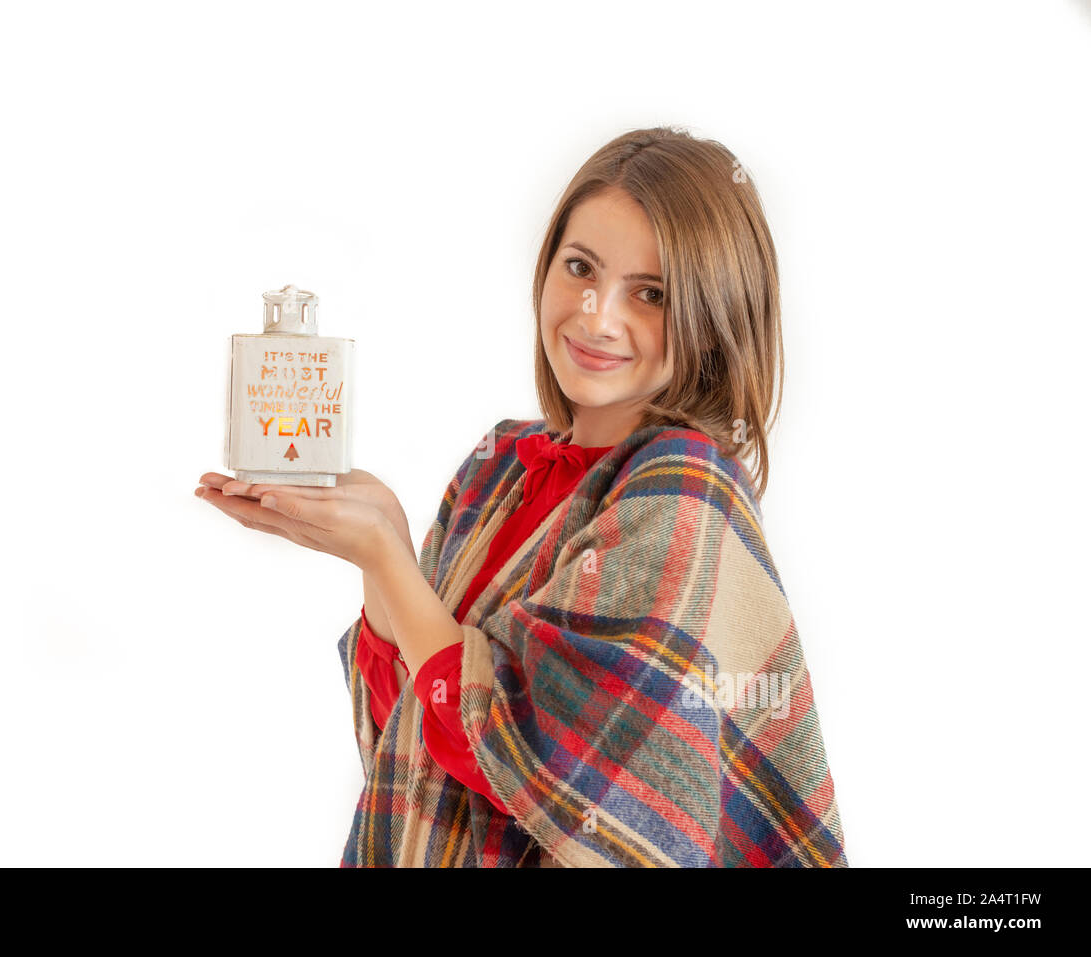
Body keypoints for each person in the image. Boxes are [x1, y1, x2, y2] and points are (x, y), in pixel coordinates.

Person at [195, 126, 849, 867]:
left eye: (652, 293)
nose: (597, 315)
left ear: (715, 314)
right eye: (580, 268)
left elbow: (553, 777)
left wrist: (383, 553)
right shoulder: (500, 466)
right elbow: (405, 724)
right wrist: (382, 547)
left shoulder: (684, 499)